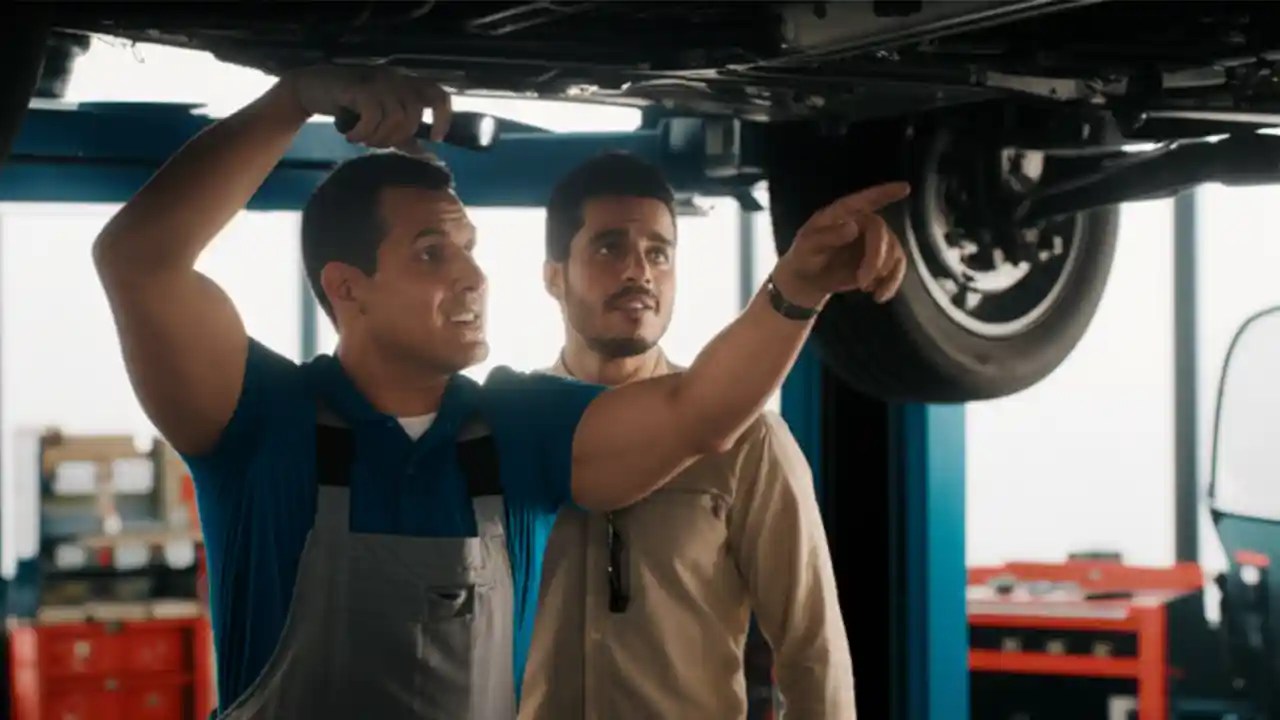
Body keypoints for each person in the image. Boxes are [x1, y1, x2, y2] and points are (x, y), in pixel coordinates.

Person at [91, 64, 908, 719]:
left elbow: (699, 414)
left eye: (471, 248)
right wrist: (298, 94)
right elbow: (139, 261)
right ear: (349, 287)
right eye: (430, 253)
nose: (474, 274)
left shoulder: (515, 429)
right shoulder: (256, 419)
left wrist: (794, 290)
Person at [519, 153, 855, 720]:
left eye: (658, 253)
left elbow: (812, 651)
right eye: (609, 247)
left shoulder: (750, 444)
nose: (639, 272)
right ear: (554, 275)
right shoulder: (511, 429)